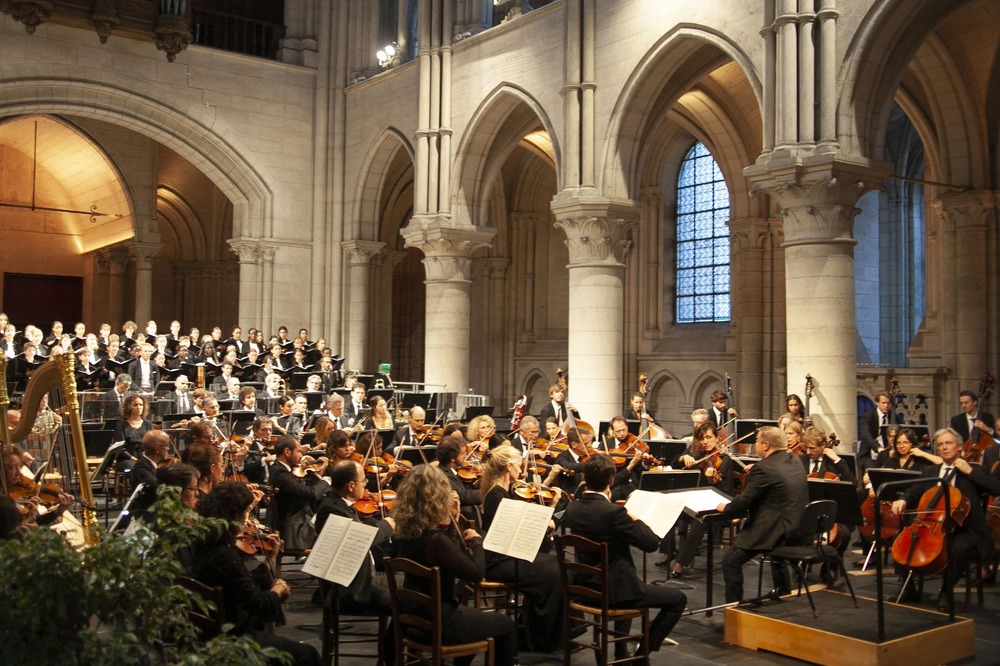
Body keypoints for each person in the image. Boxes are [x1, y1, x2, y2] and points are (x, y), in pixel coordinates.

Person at [561, 454, 687, 658]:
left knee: (627, 578)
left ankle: (621, 652)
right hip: (613, 593)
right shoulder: (615, 513)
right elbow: (650, 544)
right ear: (611, 481)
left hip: (584, 588)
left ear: (585, 478)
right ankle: (641, 655)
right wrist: (635, 519)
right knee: (677, 599)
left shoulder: (573, 507)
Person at [391, 464, 515, 666]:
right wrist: (477, 542)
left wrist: (450, 523)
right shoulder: (437, 542)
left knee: (477, 620)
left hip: (413, 619)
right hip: (442, 623)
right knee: (505, 623)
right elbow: (476, 574)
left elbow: (448, 555)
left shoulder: (405, 535)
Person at [193, 481, 320, 666]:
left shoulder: (206, 545)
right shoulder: (225, 555)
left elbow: (240, 585)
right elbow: (259, 604)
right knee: (308, 654)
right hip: (234, 639)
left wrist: (270, 561)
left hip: (209, 632)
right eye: (246, 512)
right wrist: (277, 590)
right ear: (235, 516)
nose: (248, 520)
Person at [891, 428, 1000, 608]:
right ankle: (908, 588)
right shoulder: (931, 471)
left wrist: (969, 471)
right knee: (901, 540)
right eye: (940, 444)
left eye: (948, 443)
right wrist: (903, 500)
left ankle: (946, 591)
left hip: (965, 528)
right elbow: (914, 491)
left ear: (959, 447)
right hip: (934, 525)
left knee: (957, 548)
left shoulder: (973, 470)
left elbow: (996, 488)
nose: (944, 447)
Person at [478, 445, 564, 652]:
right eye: (519, 465)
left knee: (559, 566)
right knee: (554, 573)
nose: (522, 470)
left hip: (509, 555)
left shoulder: (505, 492)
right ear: (508, 467)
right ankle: (539, 637)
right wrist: (549, 512)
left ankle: (542, 632)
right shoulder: (496, 497)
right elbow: (516, 535)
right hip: (500, 561)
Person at [716, 425, 808, 603]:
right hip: (797, 528)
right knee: (775, 557)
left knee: (730, 560)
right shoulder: (795, 461)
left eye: (757, 441)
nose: (756, 444)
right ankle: (782, 590)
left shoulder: (763, 468)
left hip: (774, 531)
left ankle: (734, 608)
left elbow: (745, 501)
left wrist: (726, 508)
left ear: (766, 445)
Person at [314, 460, 394, 617]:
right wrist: (385, 527)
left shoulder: (344, 505)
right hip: (353, 588)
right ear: (351, 486)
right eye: (363, 481)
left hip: (364, 578)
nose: (365, 485)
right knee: (402, 602)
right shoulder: (331, 509)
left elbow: (368, 526)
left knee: (412, 586)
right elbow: (358, 541)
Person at [269, 435, 330, 550]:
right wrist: (326, 481)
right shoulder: (281, 475)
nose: (301, 456)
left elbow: (304, 491)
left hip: (300, 521)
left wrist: (318, 475)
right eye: (299, 452)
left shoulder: (281, 470)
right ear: (287, 452)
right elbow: (312, 494)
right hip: (295, 529)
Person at [129, 430, 173, 517]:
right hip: (150, 517)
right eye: (167, 445)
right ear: (157, 449)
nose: (168, 449)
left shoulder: (148, 464)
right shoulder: (142, 469)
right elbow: (158, 489)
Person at [114, 394, 153, 473]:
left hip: (143, 458)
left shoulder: (148, 424)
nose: (139, 407)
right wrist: (136, 460)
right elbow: (120, 449)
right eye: (135, 405)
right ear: (129, 407)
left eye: (141, 405)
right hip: (126, 459)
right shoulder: (121, 425)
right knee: (138, 469)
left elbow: (150, 444)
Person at [859, 391, 894, 472]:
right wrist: (878, 448)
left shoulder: (893, 416)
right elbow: (866, 434)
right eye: (883, 403)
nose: (886, 406)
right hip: (869, 453)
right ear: (877, 403)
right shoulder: (868, 416)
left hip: (887, 454)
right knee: (873, 472)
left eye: (888, 403)